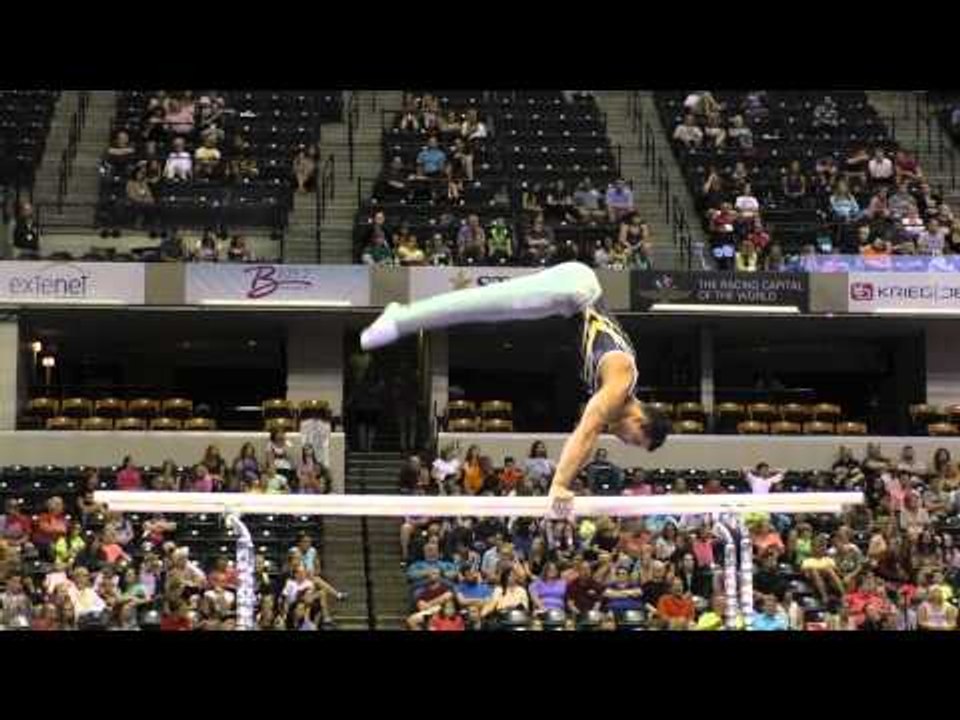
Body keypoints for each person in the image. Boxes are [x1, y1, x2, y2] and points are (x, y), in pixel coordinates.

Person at [359, 262, 671, 517]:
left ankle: (402, 318)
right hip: (579, 290)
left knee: (487, 309)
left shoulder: (616, 396)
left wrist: (567, 480)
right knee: (485, 306)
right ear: (640, 421)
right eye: (633, 440)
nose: (623, 440)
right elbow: (586, 431)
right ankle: (400, 319)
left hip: (573, 295)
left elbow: (589, 435)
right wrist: (560, 484)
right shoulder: (621, 379)